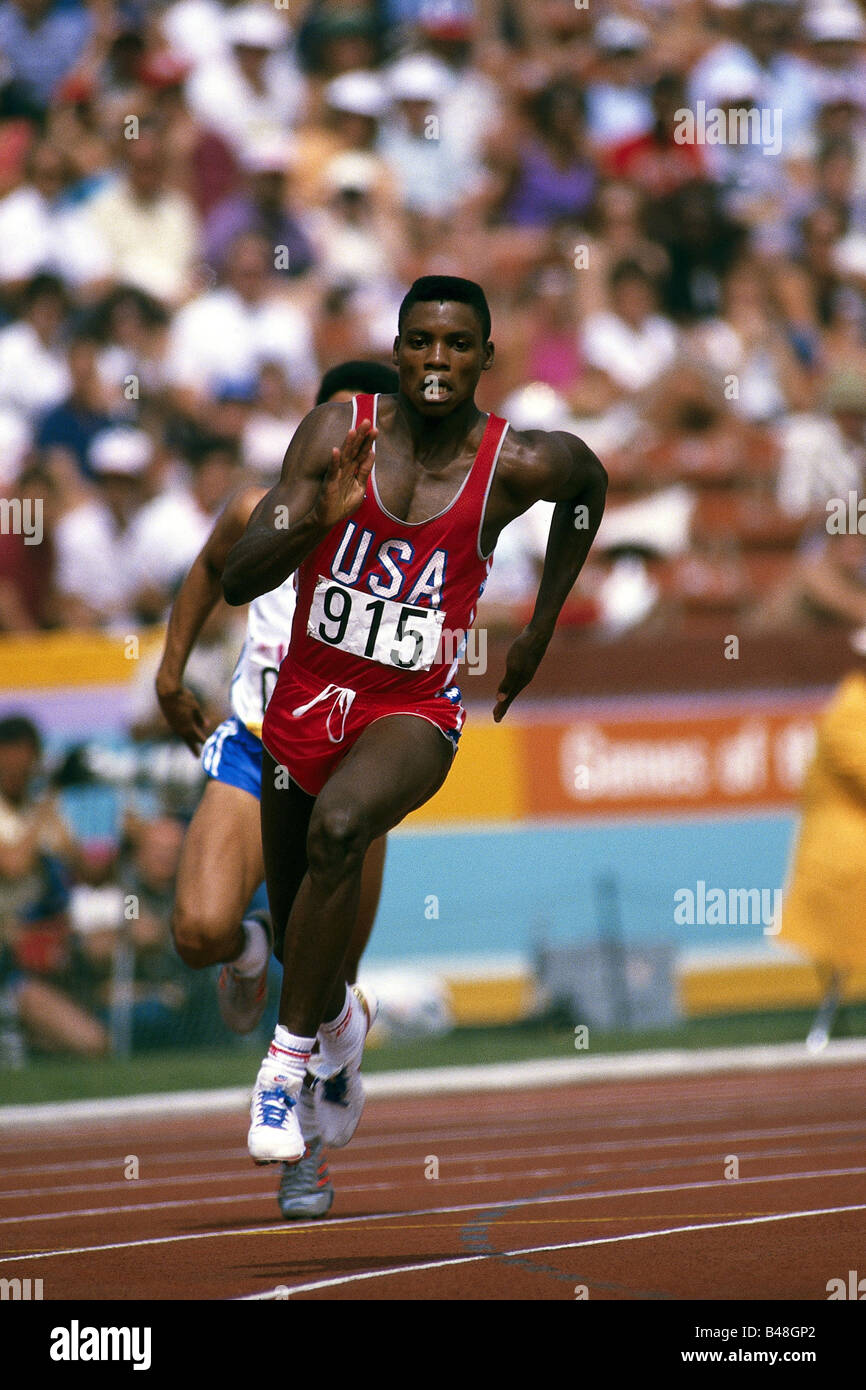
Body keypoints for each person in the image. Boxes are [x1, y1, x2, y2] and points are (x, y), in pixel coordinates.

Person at [221, 275, 607, 1166]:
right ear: (397, 349)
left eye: (458, 344)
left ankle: (283, 1069)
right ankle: (340, 1020)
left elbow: (588, 482)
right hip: (306, 697)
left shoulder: (519, 463)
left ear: (485, 356)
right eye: (422, 342)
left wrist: (542, 627)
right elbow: (243, 575)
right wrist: (321, 514)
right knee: (293, 931)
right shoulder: (336, 432)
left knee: (341, 828)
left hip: (412, 708)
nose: (438, 361)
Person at [155, 358, 399, 1219]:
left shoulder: (410, 530)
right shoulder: (266, 504)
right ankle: (249, 949)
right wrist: (170, 672)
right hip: (259, 748)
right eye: (331, 425)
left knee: (324, 973)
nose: (343, 444)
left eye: (364, 429)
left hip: (352, 766)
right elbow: (212, 565)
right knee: (197, 932)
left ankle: (303, 1155)